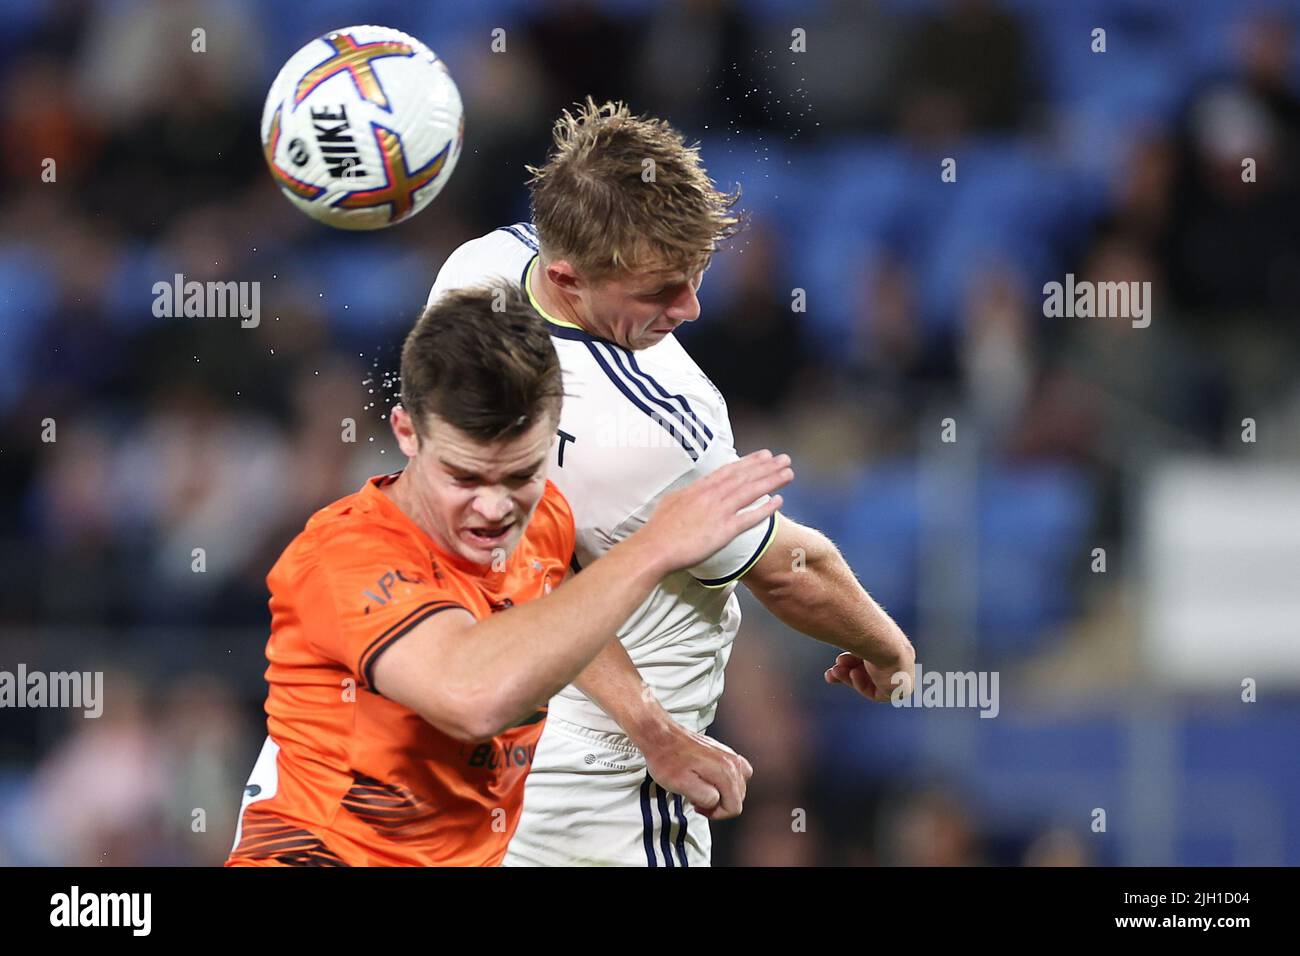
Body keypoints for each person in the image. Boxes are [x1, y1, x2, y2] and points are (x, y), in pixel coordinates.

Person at [426, 100, 916, 867]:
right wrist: (888, 648)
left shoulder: (474, 273)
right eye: (659, 292)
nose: (687, 309)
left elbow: (529, 569)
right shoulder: (654, 425)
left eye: (693, 280)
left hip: (462, 734)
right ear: (567, 275)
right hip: (600, 783)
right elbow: (791, 573)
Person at [225, 284, 791, 866]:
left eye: (520, 473)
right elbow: (472, 698)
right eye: (465, 478)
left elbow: (551, 604)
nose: (494, 509)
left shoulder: (542, 517)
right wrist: (653, 549)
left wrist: (654, 730)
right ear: (406, 432)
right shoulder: (344, 555)